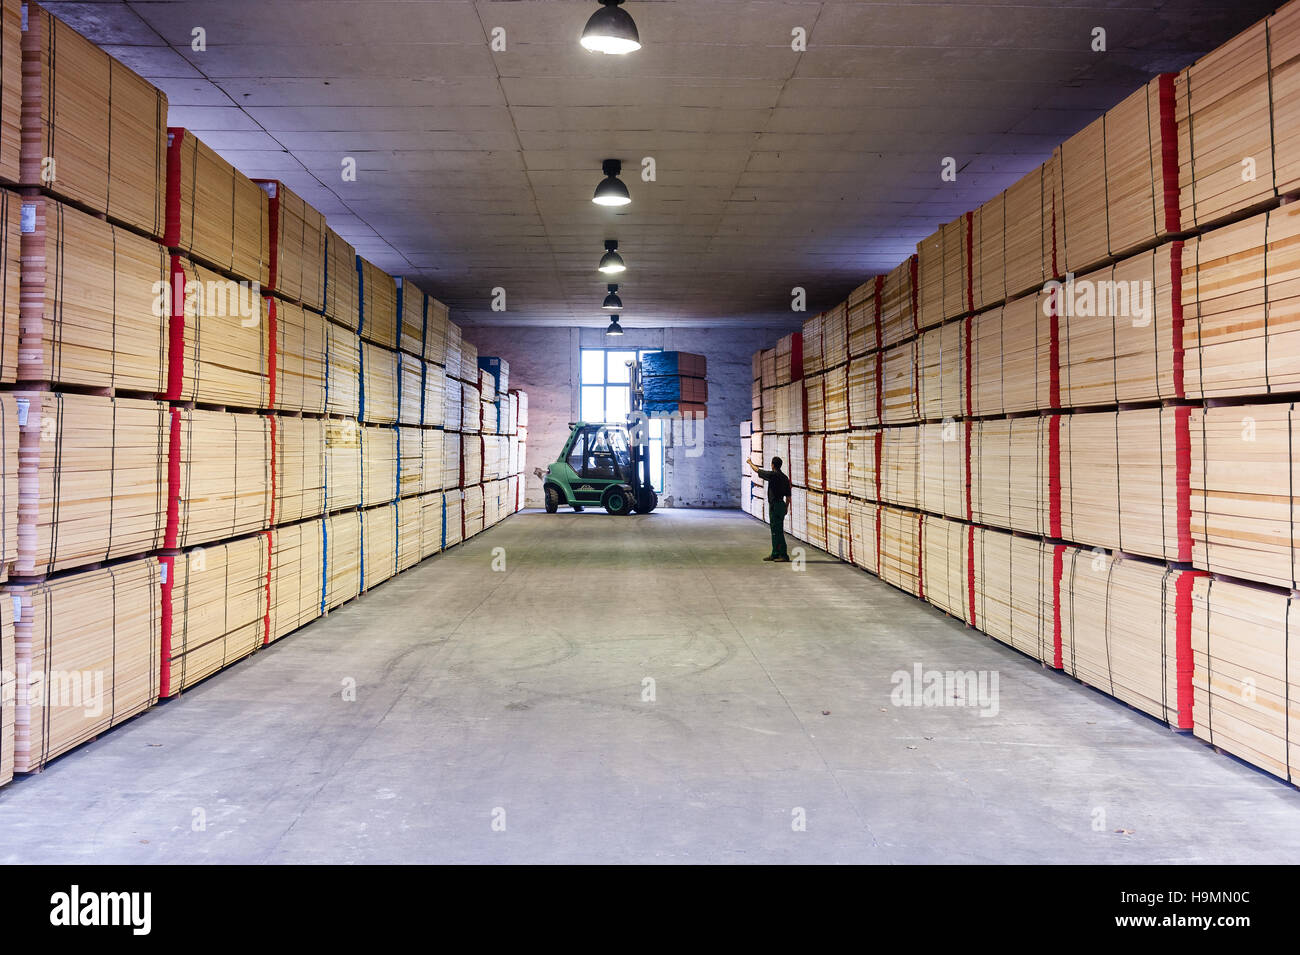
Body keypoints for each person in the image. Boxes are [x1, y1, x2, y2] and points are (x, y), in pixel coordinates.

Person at [746, 455, 792, 562]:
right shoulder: (785, 478)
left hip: (775, 506)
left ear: (772, 465)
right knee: (775, 530)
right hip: (781, 505)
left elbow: (757, 470)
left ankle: (783, 555)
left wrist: (750, 462)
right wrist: (786, 507)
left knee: (777, 531)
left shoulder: (772, 475)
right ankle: (775, 553)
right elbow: (788, 496)